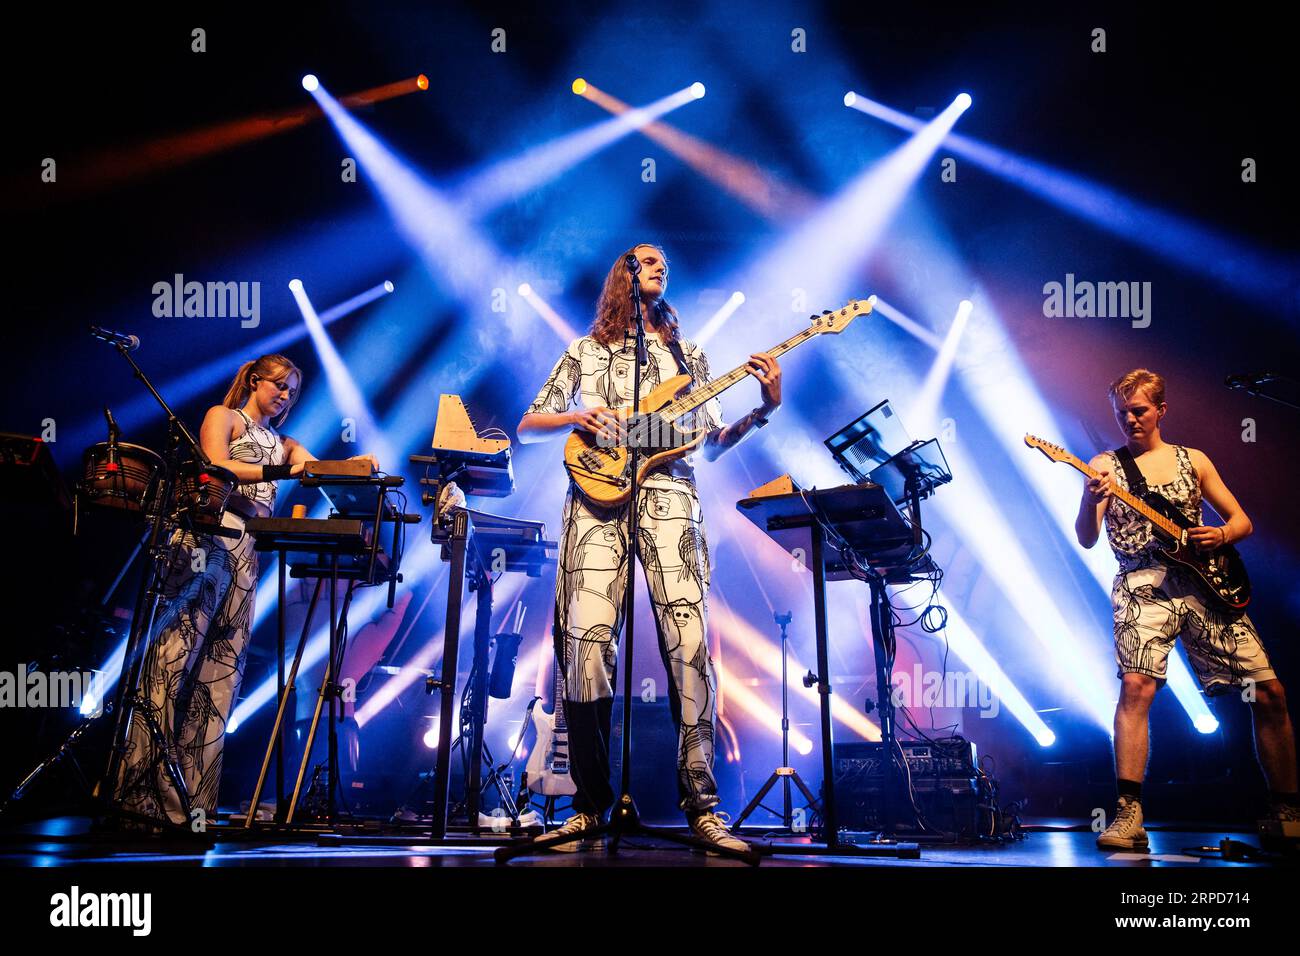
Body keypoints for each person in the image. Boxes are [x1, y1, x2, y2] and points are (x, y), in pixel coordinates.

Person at [517, 244, 780, 852]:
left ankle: (703, 806)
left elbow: (711, 443)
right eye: (647, 259)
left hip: (670, 498)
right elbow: (529, 425)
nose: (662, 264)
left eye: (667, 259)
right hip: (592, 497)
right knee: (584, 646)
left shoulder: (690, 358)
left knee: (689, 646)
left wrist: (764, 410)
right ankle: (587, 803)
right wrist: (579, 417)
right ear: (623, 274)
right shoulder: (584, 353)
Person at [115, 353, 379, 827]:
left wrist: (354, 465)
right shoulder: (224, 417)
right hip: (205, 539)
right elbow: (216, 467)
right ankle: (138, 798)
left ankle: (189, 807)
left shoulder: (286, 443)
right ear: (255, 381)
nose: (285, 396)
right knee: (172, 664)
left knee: (218, 680)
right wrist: (282, 474)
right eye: (279, 386)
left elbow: (314, 469)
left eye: (293, 392)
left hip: (245, 555)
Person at [1075, 368, 1297, 850]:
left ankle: (1286, 810)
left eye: (1139, 411)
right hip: (1141, 584)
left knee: (1270, 693)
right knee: (1137, 687)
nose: (1130, 420)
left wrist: (1219, 534)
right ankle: (1129, 814)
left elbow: (1242, 521)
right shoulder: (1104, 467)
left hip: (1204, 585)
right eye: (1121, 414)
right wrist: (1087, 498)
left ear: (1161, 411)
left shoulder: (1192, 459)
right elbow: (1087, 538)